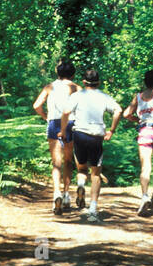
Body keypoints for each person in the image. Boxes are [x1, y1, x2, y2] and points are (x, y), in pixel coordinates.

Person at [59, 68, 124, 223]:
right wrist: (112, 130)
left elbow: (66, 112)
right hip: (96, 136)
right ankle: (93, 209)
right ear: (99, 82)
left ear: (83, 82)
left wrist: (62, 131)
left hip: (80, 134)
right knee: (95, 173)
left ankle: (81, 184)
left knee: (81, 167)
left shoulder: (77, 95)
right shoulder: (104, 96)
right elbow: (118, 110)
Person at [33, 60, 87, 215]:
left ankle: (56, 193)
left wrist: (46, 117)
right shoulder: (77, 88)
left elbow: (36, 105)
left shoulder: (49, 87)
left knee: (56, 163)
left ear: (58, 73)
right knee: (69, 160)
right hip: (73, 123)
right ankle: (66, 194)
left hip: (55, 123)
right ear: (73, 73)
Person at [122, 70, 153, 216]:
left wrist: (137, 120)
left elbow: (126, 114)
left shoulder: (139, 97)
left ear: (145, 81)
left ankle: (144, 195)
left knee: (145, 166)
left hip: (144, 132)